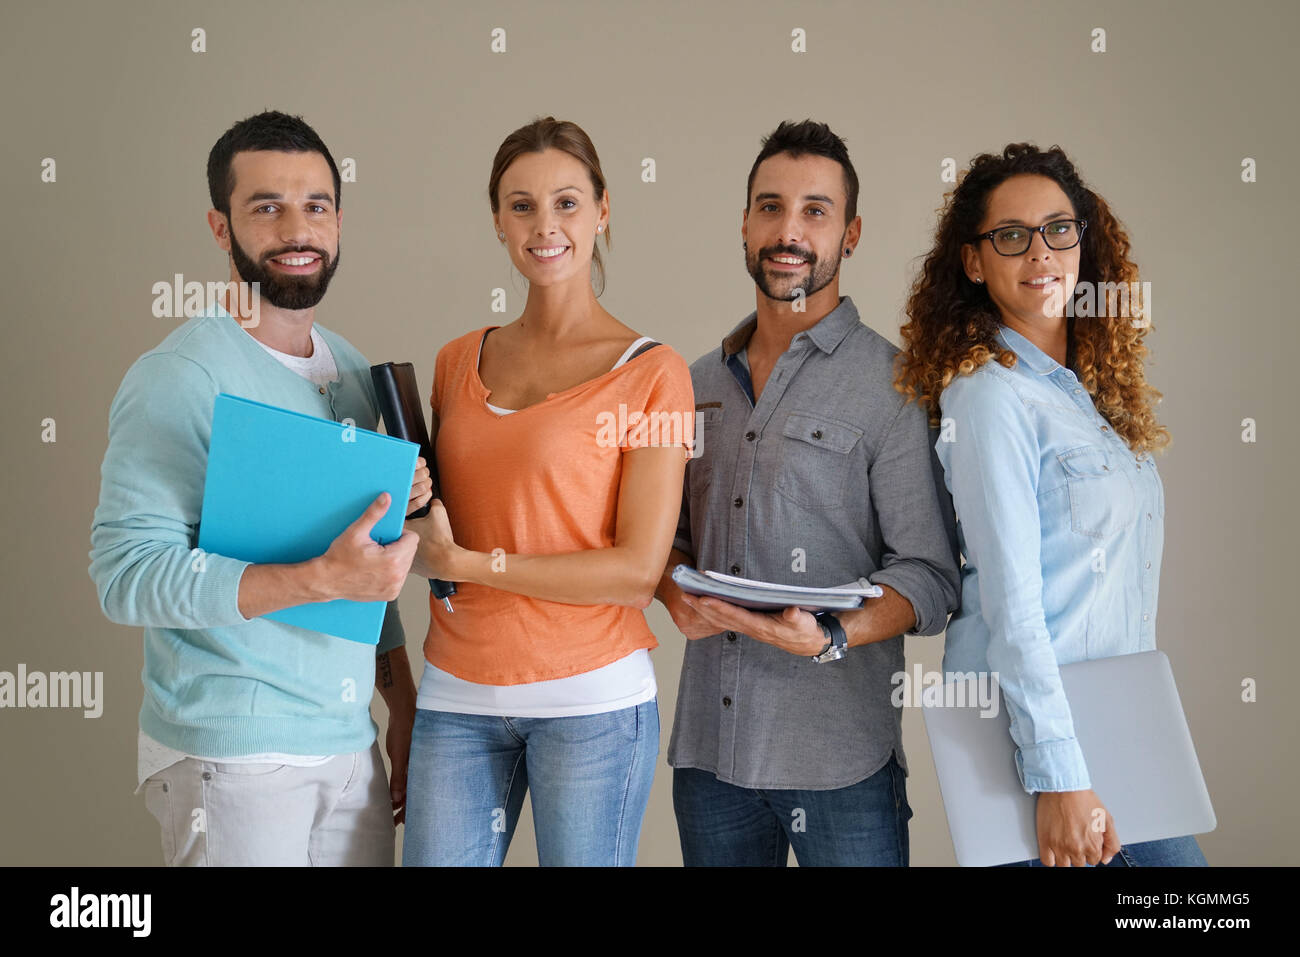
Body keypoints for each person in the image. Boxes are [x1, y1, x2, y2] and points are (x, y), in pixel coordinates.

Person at [89, 110, 429, 866]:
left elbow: (366, 568)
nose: (296, 228)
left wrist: (401, 705)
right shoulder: (181, 376)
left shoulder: (350, 367)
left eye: (315, 205)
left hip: (349, 751)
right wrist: (317, 577)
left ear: (339, 220)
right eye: (265, 207)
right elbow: (125, 577)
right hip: (232, 758)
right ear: (221, 227)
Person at [655, 119, 961, 866]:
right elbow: (666, 540)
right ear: (744, 225)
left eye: (815, 211)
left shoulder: (894, 386)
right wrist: (669, 587)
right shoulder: (690, 384)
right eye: (770, 207)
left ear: (850, 234)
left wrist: (829, 632)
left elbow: (931, 576)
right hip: (710, 758)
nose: (788, 230)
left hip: (841, 765)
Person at [894, 142, 1207, 867]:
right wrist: (1060, 778)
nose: (1041, 253)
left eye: (1058, 230)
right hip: (1043, 755)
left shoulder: (1085, 398)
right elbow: (1013, 605)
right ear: (975, 261)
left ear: (1083, 240)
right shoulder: (989, 397)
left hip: (1123, 734)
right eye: (1011, 236)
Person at [402, 116, 694, 867]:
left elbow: (634, 572)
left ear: (603, 209)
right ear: (498, 219)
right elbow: (444, 521)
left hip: (590, 699)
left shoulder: (654, 373)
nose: (545, 225)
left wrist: (470, 566)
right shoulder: (455, 361)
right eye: (522, 204)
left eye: (567, 202)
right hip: (457, 692)